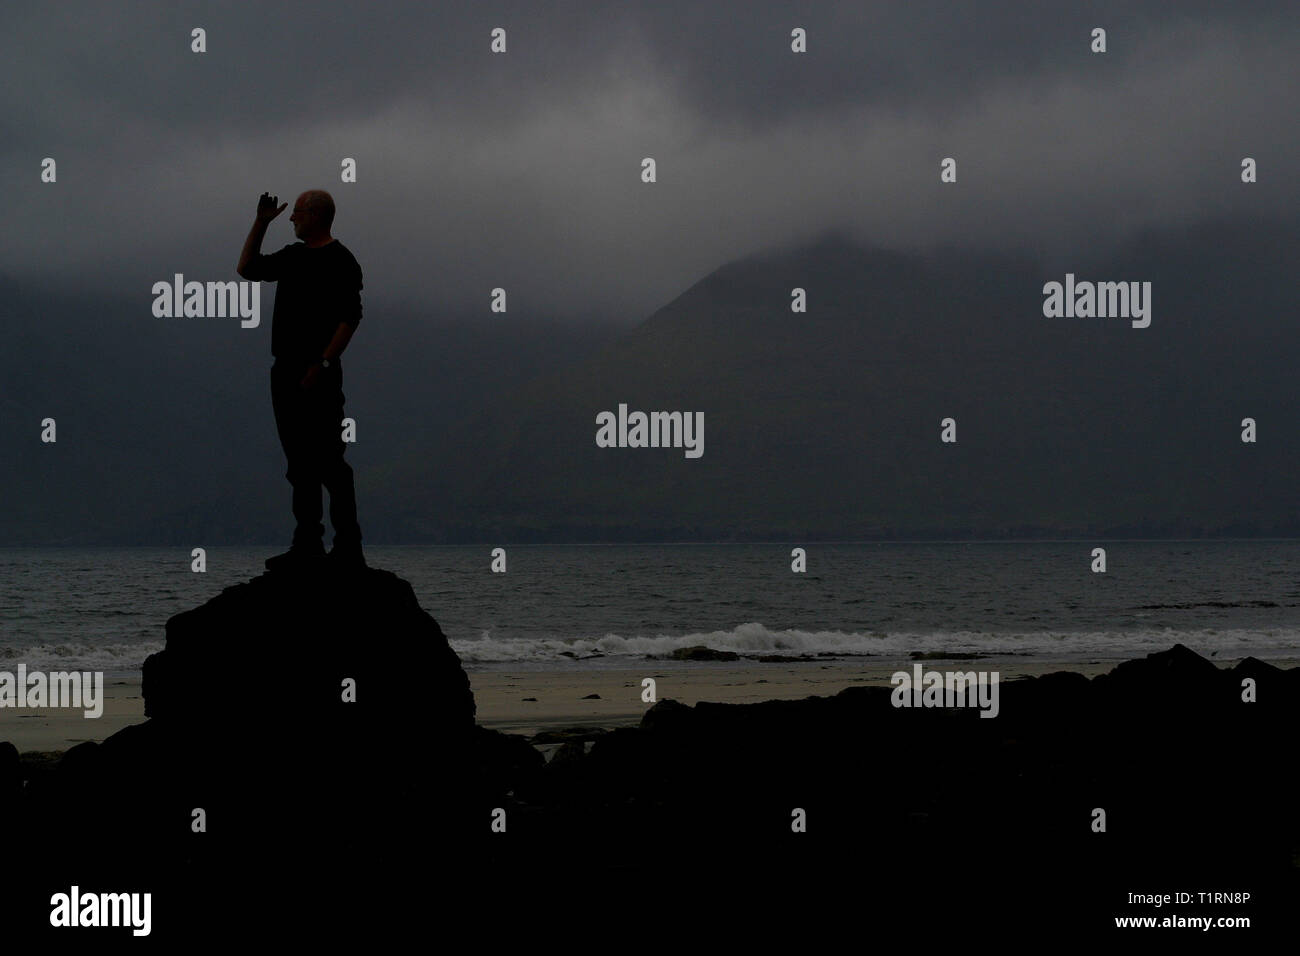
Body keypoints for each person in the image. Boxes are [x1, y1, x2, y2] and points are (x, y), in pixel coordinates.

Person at [237, 190, 366, 571]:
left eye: (296, 214)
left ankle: (348, 545)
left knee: (330, 461)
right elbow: (246, 268)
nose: (290, 220)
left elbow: (350, 318)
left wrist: (324, 364)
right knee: (298, 461)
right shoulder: (292, 258)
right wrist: (261, 222)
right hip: (285, 370)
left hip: (320, 372)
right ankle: (307, 542)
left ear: (315, 215)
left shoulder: (342, 261)